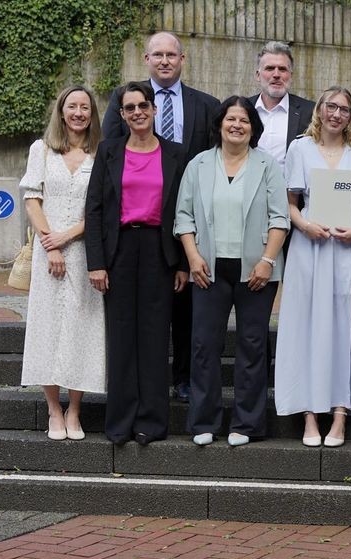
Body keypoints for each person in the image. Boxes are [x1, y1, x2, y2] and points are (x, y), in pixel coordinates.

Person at [102, 31, 219, 404]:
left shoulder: (207, 105)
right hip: (137, 221)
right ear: (146, 58)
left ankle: (183, 378)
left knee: (185, 305)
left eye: (172, 54)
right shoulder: (124, 102)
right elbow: (108, 160)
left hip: (189, 221)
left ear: (182, 59)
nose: (165, 60)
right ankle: (134, 382)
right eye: (158, 55)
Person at [174, 96, 290, 448]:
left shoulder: (267, 166)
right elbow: (183, 217)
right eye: (230, 119)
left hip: (256, 271)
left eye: (244, 120)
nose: (237, 125)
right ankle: (204, 421)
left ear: (253, 128)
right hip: (207, 269)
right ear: (219, 124)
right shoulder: (198, 164)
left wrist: (267, 261)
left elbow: (279, 218)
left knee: (252, 346)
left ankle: (248, 423)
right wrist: (193, 258)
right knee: (203, 345)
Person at [273, 87, 351, 447]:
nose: (336, 114)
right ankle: (308, 414)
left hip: (349, 245)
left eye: (344, 109)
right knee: (307, 325)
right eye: (330, 107)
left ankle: (339, 412)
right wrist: (304, 226)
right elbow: (288, 203)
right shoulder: (299, 148)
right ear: (320, 109)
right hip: (310, 244)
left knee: (346, 327)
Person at [85, 81, 189, 446]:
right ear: (123, 114)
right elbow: (94, 209)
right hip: (120, 251)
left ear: (154, 109)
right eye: (130, 108)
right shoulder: (108, 151)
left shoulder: (176, 154)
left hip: (161, 251)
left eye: (143, 105)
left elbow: (184, 211)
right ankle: (120, 423)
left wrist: (182, 264)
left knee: (155, 337)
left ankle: (151, 423)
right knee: (122, 336)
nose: (138, 112)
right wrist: (95, 263)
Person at [19, 85, 106, 441]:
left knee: (82, 330)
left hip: (86, 250)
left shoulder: (102, 153)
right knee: (49, 328)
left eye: (85, 107)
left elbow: (101, 210)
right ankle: (54, 409)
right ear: (61, 111)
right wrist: (51, 244)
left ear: (92, 114)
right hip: (48, 252)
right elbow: (32, 198)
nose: (78, 113)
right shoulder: (41, 149)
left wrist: (68, 236)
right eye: (72, 106)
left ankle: (75, 410)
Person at [250, 41, 315, 168]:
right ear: (258, 75)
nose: (276, 75)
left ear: (291, 76)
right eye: (269, 68)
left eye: (282, 69)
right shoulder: (243, 109)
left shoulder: (311, 112)